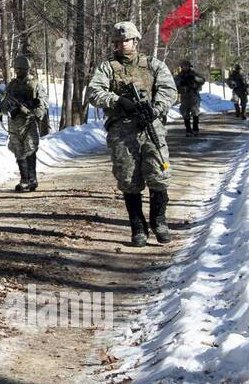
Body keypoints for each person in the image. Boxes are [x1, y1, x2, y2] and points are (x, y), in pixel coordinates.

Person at [87, 21, 178, 247]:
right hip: (122, 129)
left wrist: (155, 108)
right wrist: (118, 100)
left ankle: (159, 222)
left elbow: (169, 90)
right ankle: (138, 227)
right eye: (117, 41)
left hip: (150, 125)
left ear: (135, 41)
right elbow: (94, 92)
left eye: (125, 40)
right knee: (129, 179)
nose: (121, 44)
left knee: (159, 173)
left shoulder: (153, 65)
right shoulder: (107, 68)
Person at [0, 55, 48, 191]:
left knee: (30, 149)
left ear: (27, 69)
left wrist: (35, 112)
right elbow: (3, 106)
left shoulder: (35, 84)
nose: (19, 71)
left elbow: (43, 102)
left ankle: (32, 179)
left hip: (29, 122)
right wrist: (8, 106)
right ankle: (24, 179)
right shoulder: (11, 85)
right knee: (18, 150)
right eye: (17, 68)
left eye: (22, 68)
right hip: (15, 124)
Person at [175, 59, 205, 135]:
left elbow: (202, 80)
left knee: (195, 112)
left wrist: (194, 79)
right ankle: (188, 130)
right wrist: (181, 82)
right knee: (185, 113)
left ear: (189, 66)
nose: (185, 67)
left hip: (194, 95)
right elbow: (175, 83)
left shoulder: (194, 74)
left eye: (187, 66)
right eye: (184, 66)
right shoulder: (180, 76)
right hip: (184, 96)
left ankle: (195, 129)